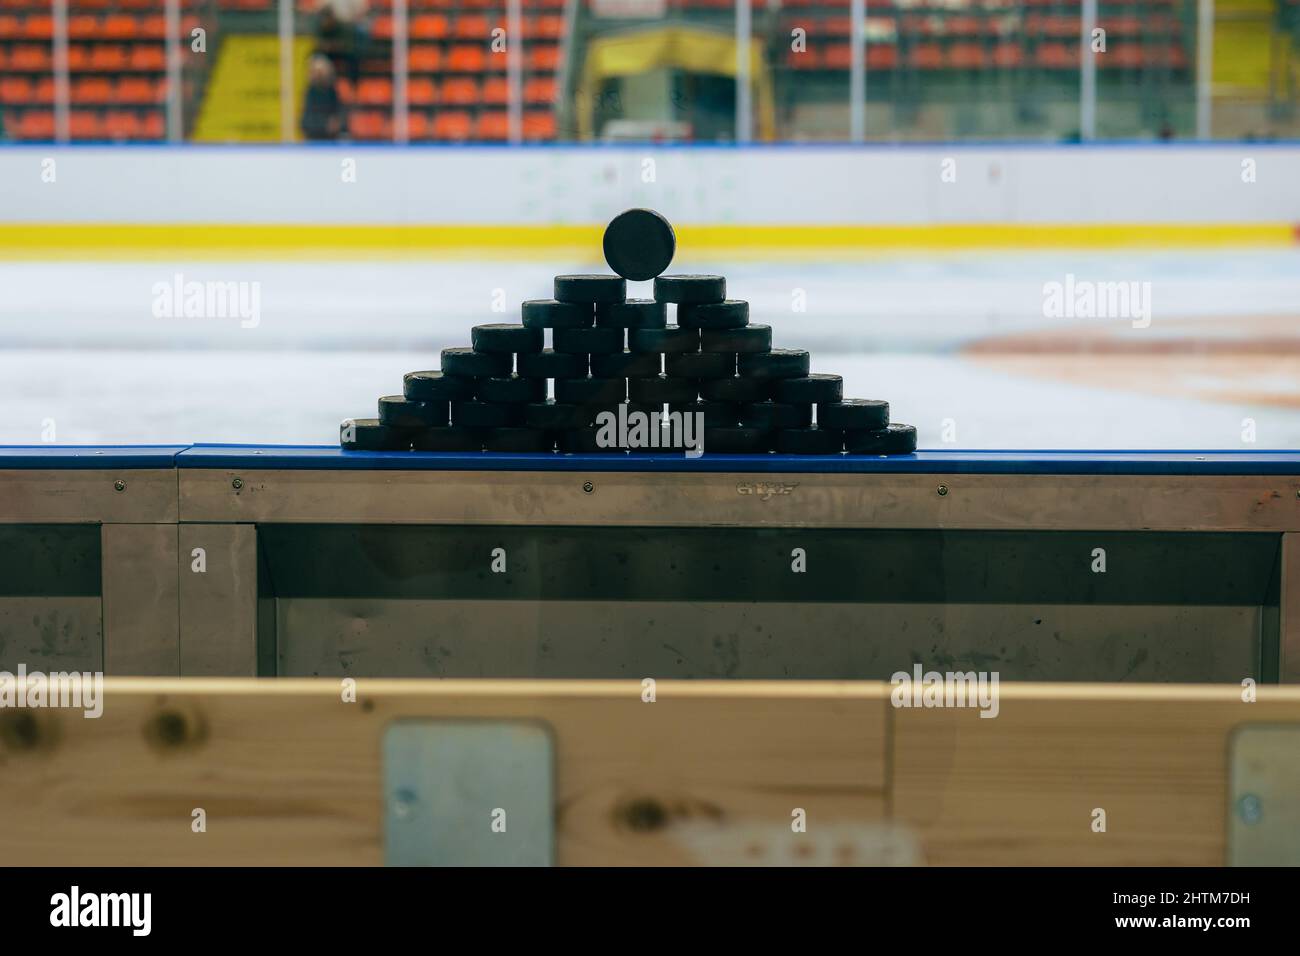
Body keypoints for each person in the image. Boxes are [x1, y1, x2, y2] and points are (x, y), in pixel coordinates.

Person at [301, 55, 345, 141]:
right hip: (314, 140)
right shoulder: (311, 92)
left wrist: (337, 123)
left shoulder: (332, 91)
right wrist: (325, 124)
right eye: (316, 72)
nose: (319, 75)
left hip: (332, 140)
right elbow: (305, 122)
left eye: (321, 72)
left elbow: (340, 116)